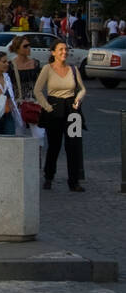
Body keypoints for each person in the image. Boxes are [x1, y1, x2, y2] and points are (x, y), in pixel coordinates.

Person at [34, 42, 87, 191]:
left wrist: (78, 99)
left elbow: (82, 89)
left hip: (72, 109)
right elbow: (37, 91)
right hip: (55, 108)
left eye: (66, 49)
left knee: (74, 146)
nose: (64, 52)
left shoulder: (73, 69)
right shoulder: (47, 69)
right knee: (54, 145)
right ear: (53, 53)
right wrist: (47, 107)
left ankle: (74, 181)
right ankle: (49, 177)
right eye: (61, 49)